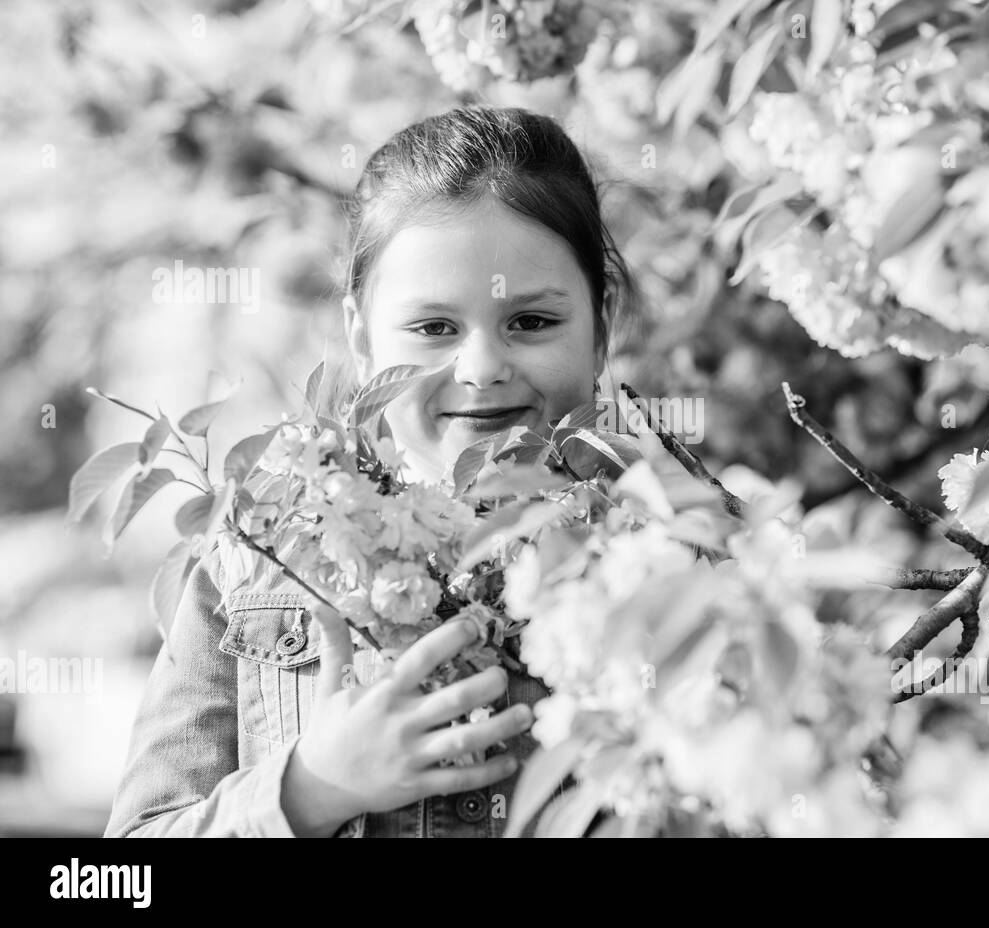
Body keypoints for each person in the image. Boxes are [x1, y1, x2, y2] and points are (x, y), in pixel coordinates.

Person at [104, 105, 637, 837]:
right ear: (361, 336)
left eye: (532, 322)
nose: (481, 369)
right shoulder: (256, 566)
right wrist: (312, 789)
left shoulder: (665, 551)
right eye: (433, 329)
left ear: (601, 324)